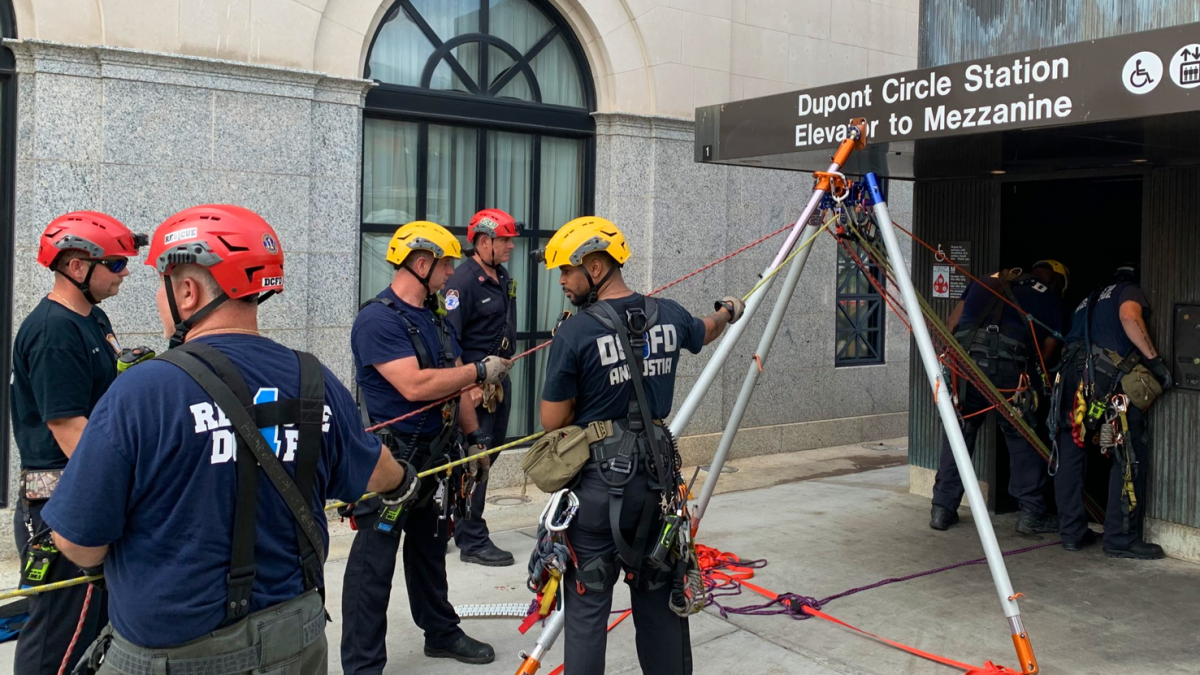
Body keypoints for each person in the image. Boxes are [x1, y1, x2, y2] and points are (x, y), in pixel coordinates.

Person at [41, 204, 409, 674]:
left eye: (162, 284)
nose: (159, 297)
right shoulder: (315, 379)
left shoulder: (141, 391)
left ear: (188, 292)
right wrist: (404, 482)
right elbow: (381, 473)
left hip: (174, 652)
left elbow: (78, 545)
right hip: (295, 638)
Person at [539, 216, 744, 675]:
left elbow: (552, 419)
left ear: (595, 267)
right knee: (657, 601)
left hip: (596, 491)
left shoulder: (575, 332)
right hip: (655, 487)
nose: (563, 282)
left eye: (566, 272)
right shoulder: (668, 314)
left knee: (588, 612)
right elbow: (704, 329)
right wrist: (731, 309)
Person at [341, 220, 511, 672]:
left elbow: (453, 384)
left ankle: (440, 632)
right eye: (445, 263)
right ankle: (362, 665)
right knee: (373, 567)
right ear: (421, 264)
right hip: (391, 464)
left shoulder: (436, 318)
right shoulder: (377, 319)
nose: (450, 271)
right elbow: (416, 385)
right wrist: (479, 372)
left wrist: (475, 441)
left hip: (437, 456)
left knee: (431, 552)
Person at [9, 211, 144, 675]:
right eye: (116, 263)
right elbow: (71, 433)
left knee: (95, 632)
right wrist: (135, 484)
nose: (125, 272)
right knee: (60, 638)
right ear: (75, 266)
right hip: (61, 503)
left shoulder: (91, 317)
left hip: (82, 492)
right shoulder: (53, 332)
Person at [930, 260, 1068, 534]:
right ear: (1054, 280)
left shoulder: (984, 280)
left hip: (967, 366)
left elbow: (952, 323)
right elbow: (1047, 352)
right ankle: (1031, 514)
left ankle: (941, 509)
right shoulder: (1049, 296)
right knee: (1022, 436)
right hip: (1010, 371)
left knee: (961, 430)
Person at [1053, 264, 1173, 559]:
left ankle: (1071, 532)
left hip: (1071, 377)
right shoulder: (1128, 291)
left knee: (1070, 447)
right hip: (1108, 379)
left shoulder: (1088, 300)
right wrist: (1155, 362)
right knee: (1127, 452)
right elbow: (1129, 316)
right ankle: (1120, 537)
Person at [443, 208, 520, 567]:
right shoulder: (462, 282)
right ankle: (472, 539)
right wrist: (465, 389)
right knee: (477, 462)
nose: (510, 247)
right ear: (484, 241)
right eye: (504, 241)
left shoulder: (501, 277)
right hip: (474, 393)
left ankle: (447, 521)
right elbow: (449, 341)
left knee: (487, 455)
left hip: (497, 387)